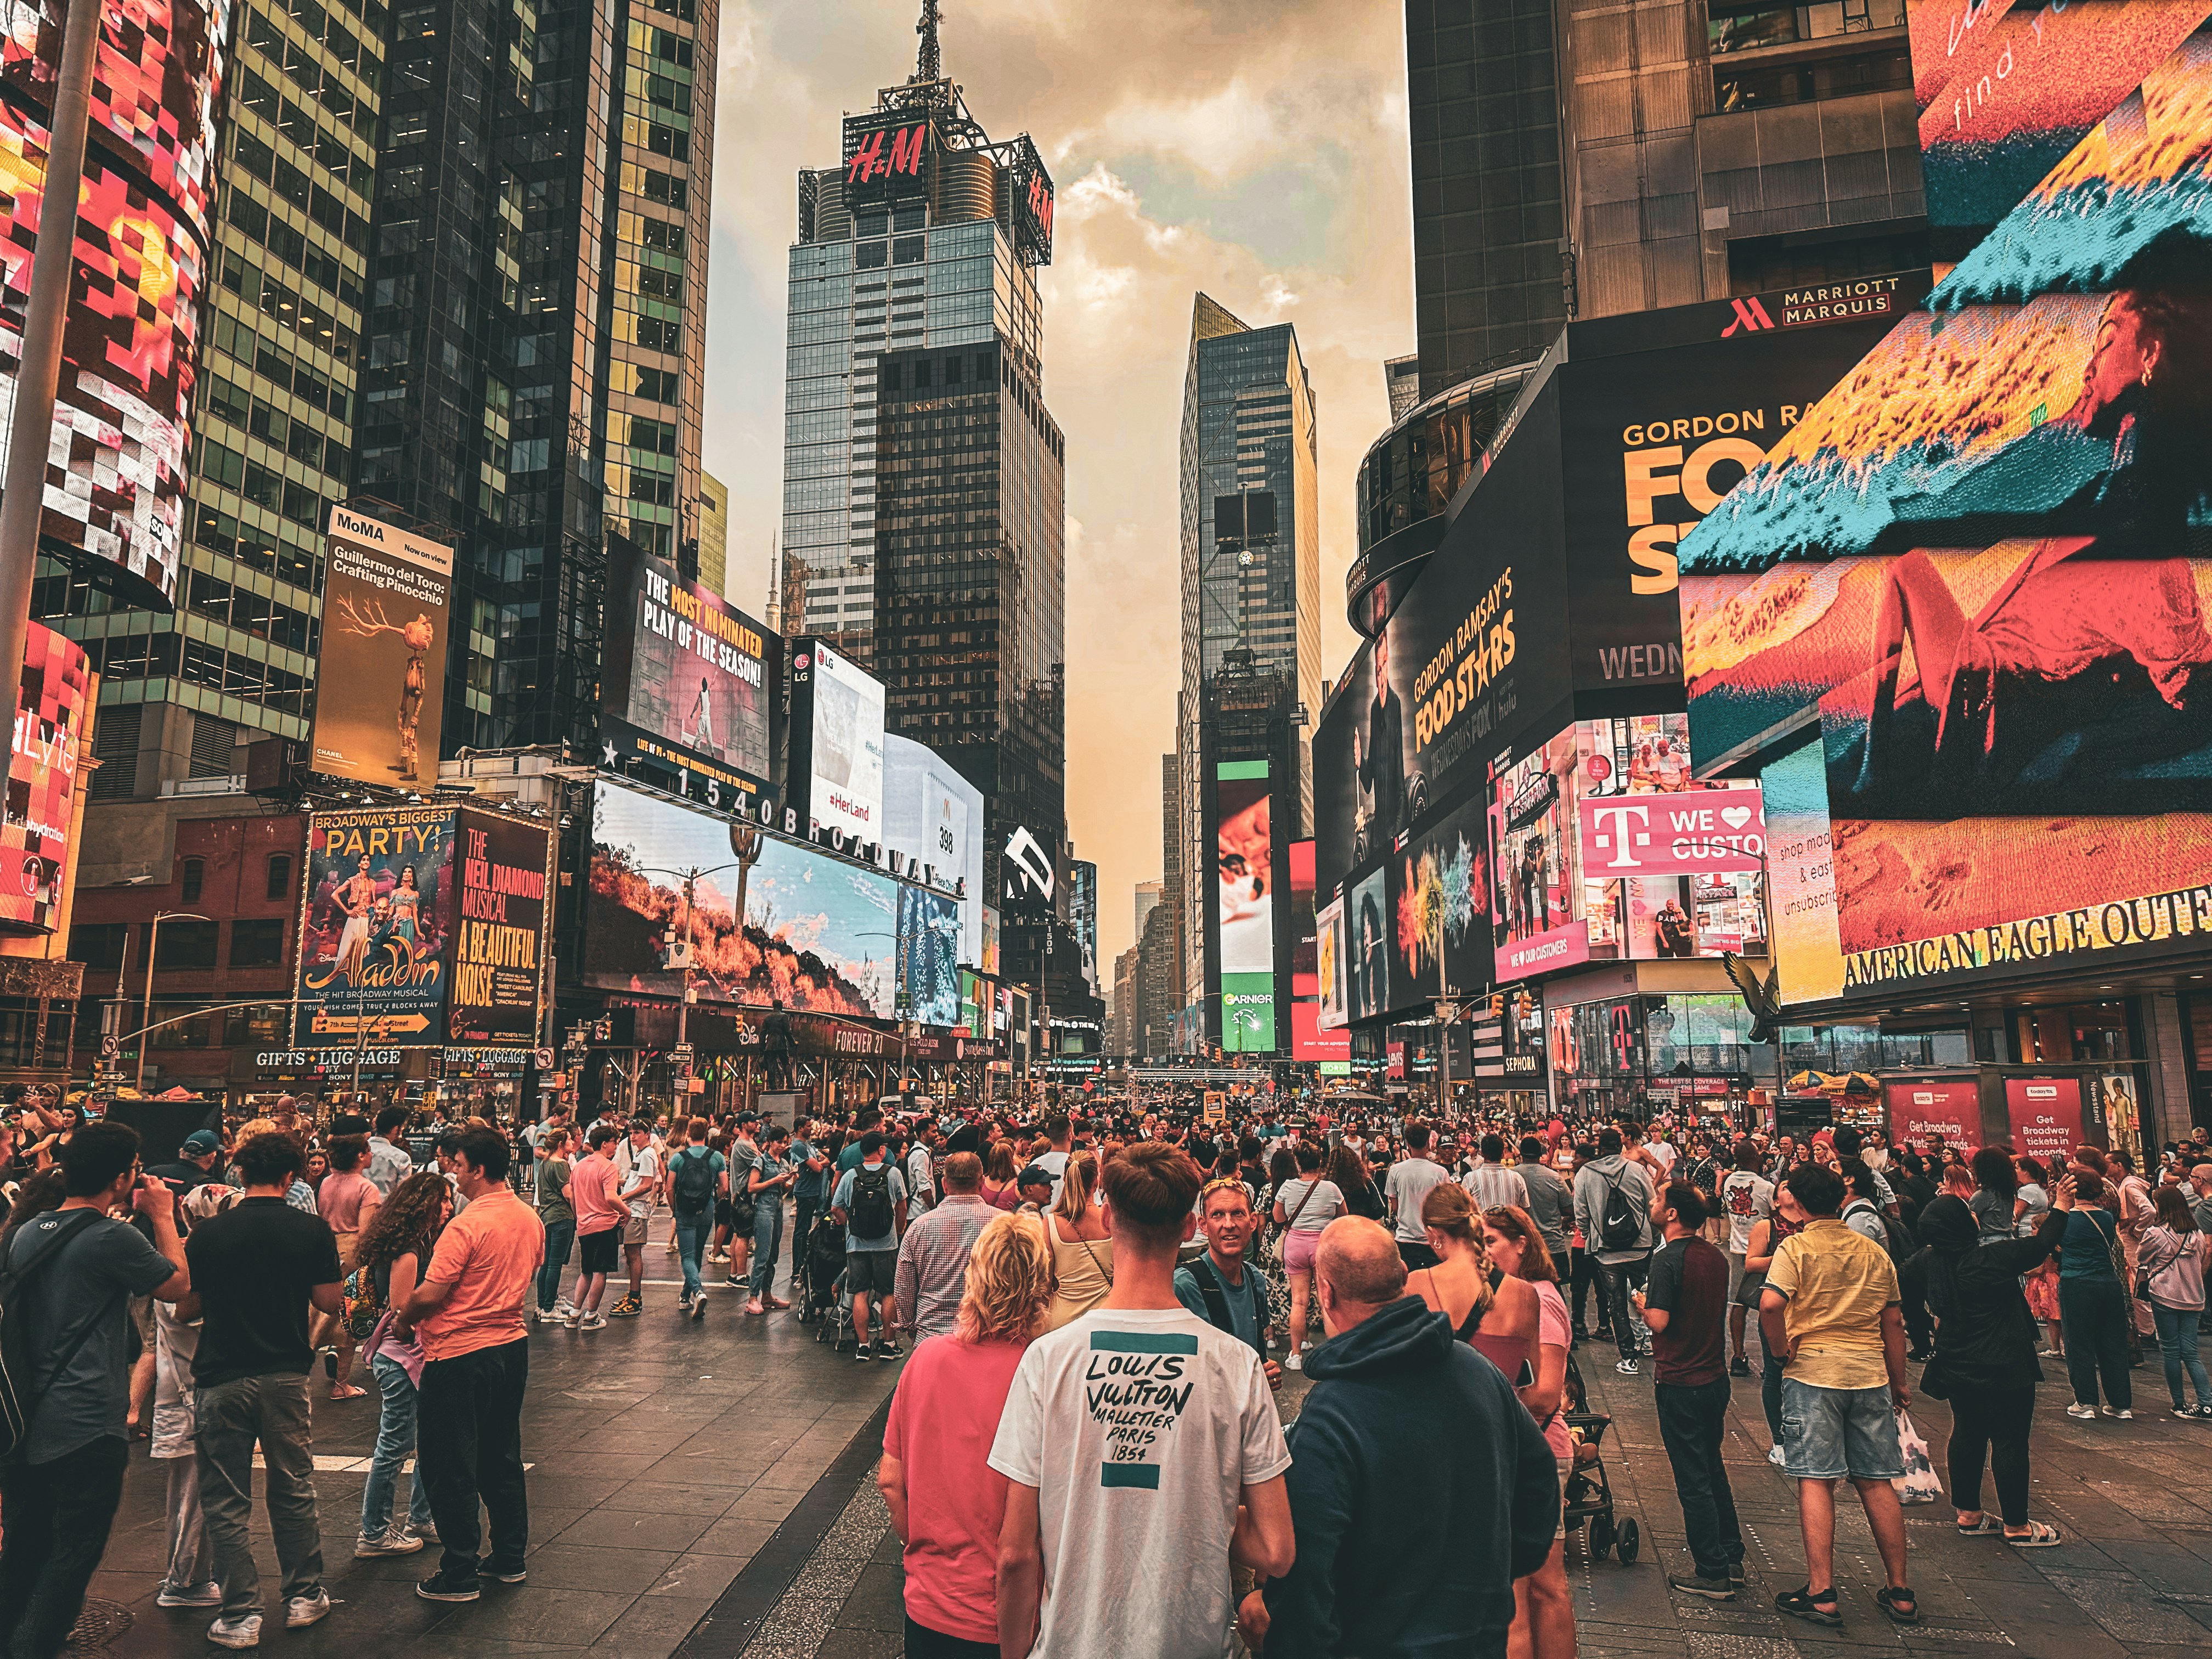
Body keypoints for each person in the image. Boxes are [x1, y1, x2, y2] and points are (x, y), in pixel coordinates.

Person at [989, 1142, 1293, 1658]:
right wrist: (1204, 1504)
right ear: (1191, 1226)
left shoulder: (1048, 1360)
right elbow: (1276, 1549)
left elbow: (1016, 1554)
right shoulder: (1237, 1366)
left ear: (1108, 1217)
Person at [1243, 1216, 1556, 1659]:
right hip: (1476, 1638)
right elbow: (1539, 1488)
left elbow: (1303, 1574)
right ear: (1402, 1280)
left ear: (1326, 1292)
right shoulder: (1476, 1370)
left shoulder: (1332, 1416)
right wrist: (1483, 1588)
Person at [0, 1121, 190, 1659]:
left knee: (23, 1550)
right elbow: (177, 1284)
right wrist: (162, 1215)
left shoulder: (25, 1230)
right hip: (85, 1423)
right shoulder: (110, 1236)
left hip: (20, 1419)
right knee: (73, 1555)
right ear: (125, 1176)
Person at [187, 1130, 344, 1647]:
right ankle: (303, 1596)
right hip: (283, 1374)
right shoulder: (310, 1230)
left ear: (239, 1173)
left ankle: (239, 1615)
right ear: (291, 1176)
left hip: (220, 1373)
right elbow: (327, 1303)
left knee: (226, 1497)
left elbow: (190, 1307)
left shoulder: (210, 1234)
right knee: (293, 1484)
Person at [881, 1212, 1052, 1657]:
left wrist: (920, 1548)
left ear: (973, 1278)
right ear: (1041, 1285)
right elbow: (1017, 1553)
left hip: (929, 1606)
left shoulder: (926, 1359)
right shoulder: (1043, 1375)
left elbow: (890, 1480)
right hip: (1009, 1619)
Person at [1758, 1163, 1916, 1628]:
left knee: (1815, 1477)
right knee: (1876, 1481)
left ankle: (1822, 1591)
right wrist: (1900, 1380)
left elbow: (1770, 1303)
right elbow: (1894, 1322)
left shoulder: (1796, 1247)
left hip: (1813, 1373)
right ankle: (1900, 1589)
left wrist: (1779, 1348)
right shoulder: (1871, 1251)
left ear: (1800, 1205)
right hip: (1868, 1373)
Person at [393, 1126, 544, 1602]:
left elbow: (433, 1291)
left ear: (477, 1169)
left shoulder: (466, 1225)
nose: (453, 1174)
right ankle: (509, 1557)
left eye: (457, 1165)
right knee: (500, 1455)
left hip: (458, 1353)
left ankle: (458, 1571)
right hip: (510, 1348)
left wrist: (404, 1319)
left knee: (448, 1461)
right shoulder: (529, 1218)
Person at [1914, 1188, 2068, 1545]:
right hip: (2004, 1363)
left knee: (1967, 1431)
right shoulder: (1989, 1259)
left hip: (1955, 1362)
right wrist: (2061, 1204)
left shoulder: (1929, 1260)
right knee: (2010, 1440)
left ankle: (1969, 1513)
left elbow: (1900, 1280)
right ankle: (2017, 1525)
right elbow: (2040, 1244)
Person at [1635, 1182, 1744, 1598]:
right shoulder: (1713, 1257)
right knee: (1712, 1466)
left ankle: (1712, 1569)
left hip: (1680, 1378)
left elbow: (1660, 1322)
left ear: (1673, 1214)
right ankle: (1731, 1555)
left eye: (1658, 1199)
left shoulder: (1667, 1259)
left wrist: (1642, 1306)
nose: (1652, 1204)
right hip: (1714, 1376)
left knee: (1693, 1477)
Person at [1480, 1205, 1575, 1659]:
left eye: (1492, 1241)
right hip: (1533, 1447)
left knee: (1534, 1587)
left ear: (1522, 1243)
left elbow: (1546, 1391)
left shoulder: (1537, 1296)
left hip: (1535, 1449)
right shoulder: (1518, 1293)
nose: (1483, 1251)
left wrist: (1484, 1413)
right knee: (1538, 1585)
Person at [352, 1172, 450, 1556]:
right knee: (396, 1444)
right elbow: (400, 1308)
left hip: (404, 1355)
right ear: (422, 1204)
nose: (447, 1207)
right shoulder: (410, 1249)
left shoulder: (409, 1243)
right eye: (442, 1200)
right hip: (401, 1355)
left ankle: (421, 1518)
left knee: (427, 1438)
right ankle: (374, 1531)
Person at [1413, 1184, 1539, 1387]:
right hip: (1500, 1418)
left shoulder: (1416, 1284)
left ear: (1433, 1234)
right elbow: (1535, 1385)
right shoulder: (1526, 1294)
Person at [1176, 1177, 1282, 1386]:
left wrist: (1264, 1373)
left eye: (1237, 1213)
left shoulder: (1255, 1279)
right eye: (1218, 1215)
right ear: (1203, 1226)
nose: (1229, 1224)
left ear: (1252, 1222)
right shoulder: (1184, 1286)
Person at [1574, 1127, 1656, 1374]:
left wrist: (1592, 1238)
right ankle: (1651, 1343)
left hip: (1606, 1251)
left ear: (1599, 1148)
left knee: (1616, 1303)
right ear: (1620, 1147)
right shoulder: (1636, 1170)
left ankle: (1629, 1358)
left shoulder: (1585, 1174)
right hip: (1640, 1246)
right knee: (1646, 1295)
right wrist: (1651, 1235)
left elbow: (1581, 1214)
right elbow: (1652, 1204)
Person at [893, 1150, 994, 1344]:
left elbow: (903, 1289)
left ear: (945, 1185)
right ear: (982, 1182)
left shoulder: (919, 1227)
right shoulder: (1003, 1224)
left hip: (932, 1336)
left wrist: (909, 1325)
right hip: (986, 1335)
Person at [2057, 1170, 2132, 1419]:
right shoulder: (2107, 1218)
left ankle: (2086, 1401)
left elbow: (2055, 1245)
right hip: (2108, 1282)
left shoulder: (2064, 1218)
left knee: (2079, 1343)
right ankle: (2121, 1404)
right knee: (2113, 1343)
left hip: (2076, 1281)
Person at [831, 1131, 909, 1361]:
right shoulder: (893, 1173)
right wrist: (897, 1229)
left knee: (860, 1293)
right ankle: (889, 1344)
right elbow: (902, 1206)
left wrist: (851, 1225)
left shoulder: (850, 1176)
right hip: (886, 1245)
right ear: (881, 1151)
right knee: (888, 1294)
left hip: (857, 1245)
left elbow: (836, 1208)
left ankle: (863, 1346)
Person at [1272, 1142, 1345, 1372]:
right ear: (1320, 1163)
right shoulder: (1331, 1188)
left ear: (1298, 1163)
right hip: (1322, 1245)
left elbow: (1277, 1218)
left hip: (1295, 1245)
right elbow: (1343, 1216)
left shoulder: (1286, 1187)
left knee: (1299, 1301)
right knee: (1326, 1301)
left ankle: (1295, 1353)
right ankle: (1334, 1352)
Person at [2141, 1184, 2212, 1418]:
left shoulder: (2155, 1234)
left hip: (2165, 1295)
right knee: (2191, 1352)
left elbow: (2142, 1257)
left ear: (2161, 1206)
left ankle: (2179, 1403)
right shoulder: (2197, 1234)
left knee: (2171, 1351)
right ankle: (2206, 1402)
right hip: (2193, 1297)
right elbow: (2201, 1259)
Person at [1037, 1150, 1114, 1333]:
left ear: (1066, 1178)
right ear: (1096, 1182)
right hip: (1104, 1319)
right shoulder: (1110, 1218)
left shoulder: (1051, 1223)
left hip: (1062, 1323)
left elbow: (1045, 1284)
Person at [1720, 1141, 1775, 1375]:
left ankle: (1738, 1355)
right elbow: (1775, 1217)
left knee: (1738, 1303)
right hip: (1763, 1252)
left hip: (1737, 1248)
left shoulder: (1729, 1181)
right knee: (1769, 1304)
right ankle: (1771, 1359)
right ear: (1755, 1159)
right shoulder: (1765, 1187)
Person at [663, 1117, 726, 1319]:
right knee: (697, 1254)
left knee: (688, 1256)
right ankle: (684, 1296)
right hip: (706, 1210)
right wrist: (713, 1200)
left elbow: (669, 1188)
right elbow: (724, 1187)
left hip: (685, 1210)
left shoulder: (679, 1158)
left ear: (688, 1135)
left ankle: (697, 1292)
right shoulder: (716, 1157)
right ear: (707, 1133)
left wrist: (675, 1209)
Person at [746, 1124, 798, 1316]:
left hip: (777, 1209)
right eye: (779, 1142)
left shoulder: (783, 1163)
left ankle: (767, 1295)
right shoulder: (761, 1162)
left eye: (785, 1143)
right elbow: (752, 1187)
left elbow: (784, 1190)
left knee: (773, 1254)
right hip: (764, 1210)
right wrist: (773, 1181)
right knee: (763, 1254)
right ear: (770, 1142)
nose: (783, 1145)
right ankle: (753, 1297)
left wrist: (792, 1181)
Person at [1385, 1122, 1451, 1268]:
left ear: (1407, 1144)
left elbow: (1394, 1207)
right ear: (1428, 1143)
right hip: (1433, 1239)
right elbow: (1446, 1206)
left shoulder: (1395, 1171)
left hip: (1405, 1238)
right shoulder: (1440, 1173)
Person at [611, 1120, 659, 1317]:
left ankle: (635, 1296)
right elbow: (636, 1180)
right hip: (631, 1207)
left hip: (638, 1209)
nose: (633, 1137)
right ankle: (632, 1294)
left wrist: (623, 1197)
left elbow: (647, 1185)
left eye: (637, 1133)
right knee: (630, 1253)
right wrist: (620, 1183)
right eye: (631, 1133)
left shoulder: (648, 1154)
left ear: (648, 1134)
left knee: (634, 1254)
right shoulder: (640, 1154)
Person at [1515, 1135, 1575, 1285]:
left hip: (1522, 1245)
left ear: (1521, 1154)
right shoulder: (1554, 1177)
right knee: (1554, 1289)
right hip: (1552, 1244)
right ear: (1540, 1154)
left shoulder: (1512, 1176)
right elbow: (1569, 1209)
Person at [531, 1126, 575, 1322]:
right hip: (561, 1217)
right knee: (555, 1265)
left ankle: (542, 1306)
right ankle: (549, 1309)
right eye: (569, 1140)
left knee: (547, 1264)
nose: (573, 1143)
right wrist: (577, 1212)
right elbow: (568, 1194)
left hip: (548, 1217)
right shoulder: (560, 1165)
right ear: (561, 1144)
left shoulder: (546, 1163)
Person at [1464, 1132, 1531, 1213]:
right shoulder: (1517, 1178)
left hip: (1481, 1224)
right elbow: (1525, 1208)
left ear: (1482, 1153)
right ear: (1502, 1154)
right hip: (1510, 1224)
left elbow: (1463, 1208)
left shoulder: (1470, 1178)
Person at [366, 1105, 414, 1195]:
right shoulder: (402, 1158)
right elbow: (402, 1194)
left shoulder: (359, 1150)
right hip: (386, 1207)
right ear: (396, 1129)